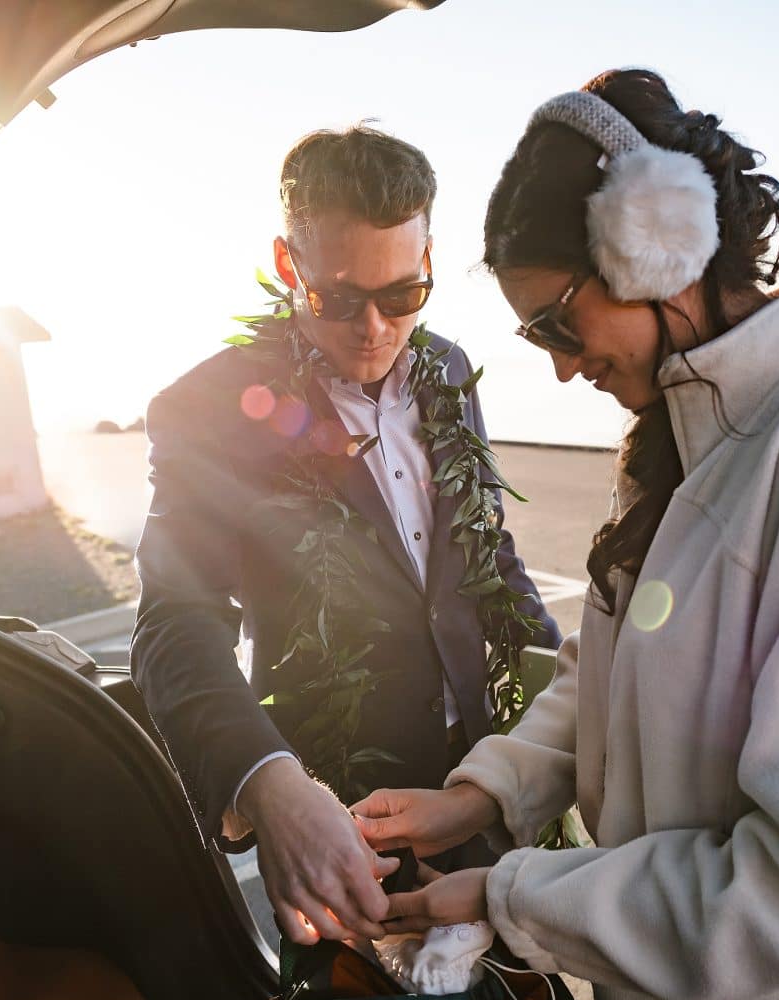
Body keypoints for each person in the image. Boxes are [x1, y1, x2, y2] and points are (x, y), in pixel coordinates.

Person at [352, 69, 779, 1000]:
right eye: (535, 338)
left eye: (561, 322)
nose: (564, 366)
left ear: (658, 249)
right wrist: (484, 792)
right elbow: (613, 667)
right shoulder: (684, 437)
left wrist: (507, 895)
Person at [131, 125, 560, 947]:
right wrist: (271, 787)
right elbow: (172, 624)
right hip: (340, 825)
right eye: (338, 298)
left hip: (479, 786)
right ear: (289, 266)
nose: (374, 327)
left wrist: (558, 733)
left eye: (402, 294)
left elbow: (485, 555)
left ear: (429, 257)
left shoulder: (453, 371)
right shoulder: (207, 411)